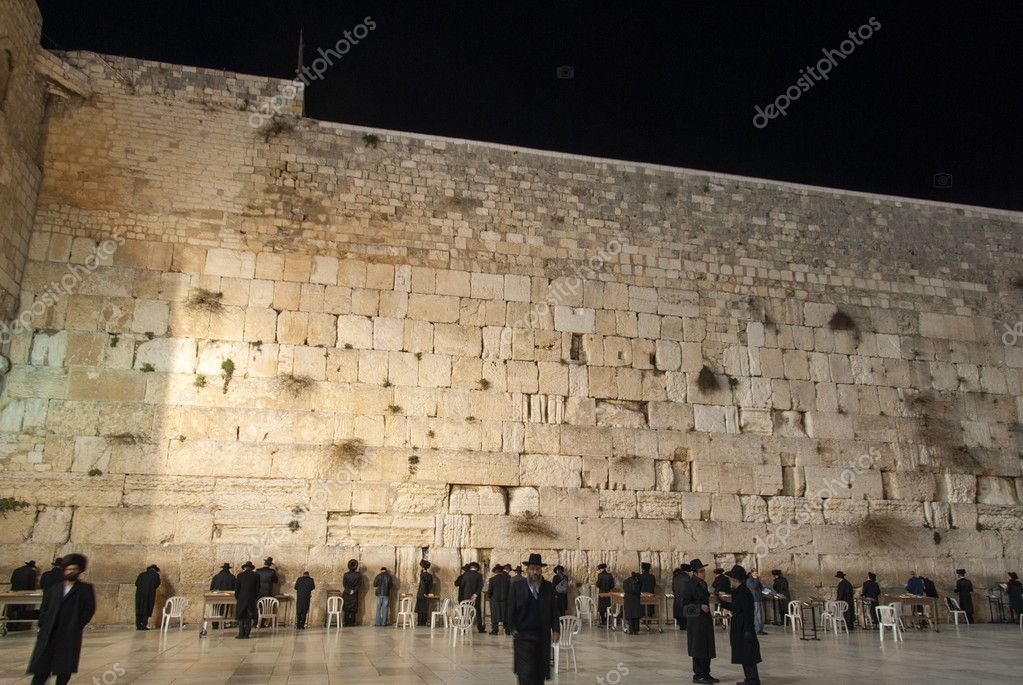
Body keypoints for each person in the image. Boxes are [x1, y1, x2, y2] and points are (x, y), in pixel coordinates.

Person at [27, 554, 95, 685]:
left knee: (64, 668)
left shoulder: (85, 589)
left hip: (69, 632)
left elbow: (89, 609)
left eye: (74, 569)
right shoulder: (54, 588)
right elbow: (45, 607)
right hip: (49, 631)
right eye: (68, 569)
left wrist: (78, 625)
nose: (71, 571)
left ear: (79, 570)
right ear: (64, 570)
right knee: (41, 667)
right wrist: (42, 624)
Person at [506, 553, 561, 685]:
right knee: (525, 672)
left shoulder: (548, 587)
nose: (535, 572)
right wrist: (512, 628)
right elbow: (510, 610)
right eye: (532, 569)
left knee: (539, 672)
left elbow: (554, 610)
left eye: (537, 569)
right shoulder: (517, 587)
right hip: (523, 636)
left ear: (541, 570)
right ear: (527, 570)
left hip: (542, 636)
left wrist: (556, 629)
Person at [681, 558, 717, 684]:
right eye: (701, 571)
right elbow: (684, 607)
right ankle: (698, 675)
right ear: (694, 573)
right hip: (696, 623)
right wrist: (699, 607)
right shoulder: (689, 585)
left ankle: (706, 673)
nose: (704, 573)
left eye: (704, 571)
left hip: (705, 621)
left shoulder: (703, 584)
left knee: (707, 647)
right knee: (698, 648)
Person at [726, 565, 762, 685]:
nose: (730, 581)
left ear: (735, 579)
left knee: (748, 655)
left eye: (731, 579)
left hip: (744, 628)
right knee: (744, 654)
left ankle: (753, 680)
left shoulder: (744, 592)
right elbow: (736, 608)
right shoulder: (738, 591)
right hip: (739, 627)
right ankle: (749, 679)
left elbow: (748, 613)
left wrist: (747, 630)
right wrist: (722, 603)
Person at [8, 560, 38, 631]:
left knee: (11, 609)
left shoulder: (17, 570)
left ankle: (9, 625)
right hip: (24, 594)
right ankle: (16, 627)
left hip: (13, 592)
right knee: (20, 611)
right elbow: (31, 586)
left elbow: (11, 581)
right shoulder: (32, 572)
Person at [234, 561, 259, 639]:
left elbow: (237, 589)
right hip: (251, 599)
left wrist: (238, 597)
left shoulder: (240, 575)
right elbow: (258, 589)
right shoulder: (256, 575)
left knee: (241, 617)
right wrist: (255, 597)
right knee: (249, 616)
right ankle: (247, 634)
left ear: (245, 567)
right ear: (251, 568)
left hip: (241, 598)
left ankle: (241, 633)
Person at [133, 564, 160, 631]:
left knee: (139, 608)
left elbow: (136, 584)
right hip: (149, 594)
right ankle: (143, 625)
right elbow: (157, 584)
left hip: (139, 593)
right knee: (146, 608)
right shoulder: (155, 575)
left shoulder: (141, 574)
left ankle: (138, 625)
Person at [209, 562, 236, 629]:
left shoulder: (216, 577)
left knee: (216, 610)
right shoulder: (232, 577)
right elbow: (234, 589)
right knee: (225, 609)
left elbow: (211, 588)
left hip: (216, 597)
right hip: (227, 597)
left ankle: (215, 625)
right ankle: (223, 624)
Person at [461, 561, 485, 633]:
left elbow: (462, 585)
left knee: (466, 612)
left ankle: (465, 627)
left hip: (466, 597)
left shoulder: (465, 575)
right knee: (478, 613)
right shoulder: (479, 575)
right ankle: (480, 628)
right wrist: (475, 594)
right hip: (476, 597)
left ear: (470, 567)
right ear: (477, 568)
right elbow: (480, 586)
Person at [487, 564, 511, 634]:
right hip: (505, 600)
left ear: (495, 572)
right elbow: (510, 590)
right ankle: (507, 630)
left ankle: (495, 630)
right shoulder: (507, 579)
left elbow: (490, 591)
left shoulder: (492, 579)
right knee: (505, 616)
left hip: (495, 601)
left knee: (495, 616)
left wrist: (490, 596)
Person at [746, 569, 766, 635]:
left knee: (762, 615)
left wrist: (769, 592)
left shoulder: (756, 579)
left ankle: (761, 629)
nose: (756, 574)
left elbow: (761, 588)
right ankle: (757, 630)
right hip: (754, 599)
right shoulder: (749, 580)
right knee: (757, 615)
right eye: (755, 573)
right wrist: (756, 579)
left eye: (757, 573)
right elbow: (754, 587)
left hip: (759, 598)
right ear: (751, 573)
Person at [342, 559, 362, 626]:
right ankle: (352, 622)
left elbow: (344, 584)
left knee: (346, 608)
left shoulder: (346, 574)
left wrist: (348, 591)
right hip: (354, 594)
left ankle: (346, 622)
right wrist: (354, 591)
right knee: (353, 609)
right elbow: (359, 584)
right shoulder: (358, 575)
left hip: (347, 594)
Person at [672, 563, 691, 630]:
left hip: (677, 599)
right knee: (685, 616)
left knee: (680, 616)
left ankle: (681, 627)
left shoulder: (676, 576)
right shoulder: (687, 577)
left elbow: (673, 588)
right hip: (685, 599)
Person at [415, 560, 434, 626]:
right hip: (427, 593)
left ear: (423, 568)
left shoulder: (421, 575)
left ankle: (419, 622)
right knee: (425, 608)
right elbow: (431, 585)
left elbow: (423, 584)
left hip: (421, 593)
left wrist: (424, 592)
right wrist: (427, 592)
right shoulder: (430, 576)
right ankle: (424, 622)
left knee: (420, 608)